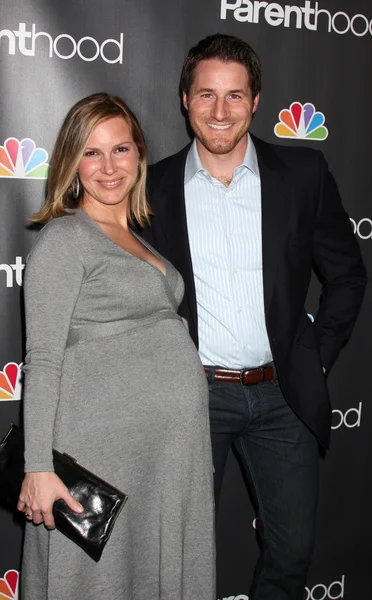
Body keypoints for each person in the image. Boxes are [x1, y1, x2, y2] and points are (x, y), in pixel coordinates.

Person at [142, 34, 367, 600]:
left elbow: (346, 275)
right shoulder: (150, 188)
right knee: (177, 559)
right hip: (194, 398)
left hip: (282, 397)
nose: (220, 111)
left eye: (235, 95)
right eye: (206, 95)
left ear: (256, 101)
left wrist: (314, 358)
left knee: (291, 554)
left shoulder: (303, 173)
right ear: (185, 100)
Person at [17, 93, 215, 600]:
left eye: (120, 149)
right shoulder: (65, 239)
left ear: (139, 155)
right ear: (72, 162)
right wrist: (37, 466)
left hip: (167, 457)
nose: (108, 167)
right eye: (92, 152)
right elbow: (43, 359)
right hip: (102, 452)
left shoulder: (141, 240)